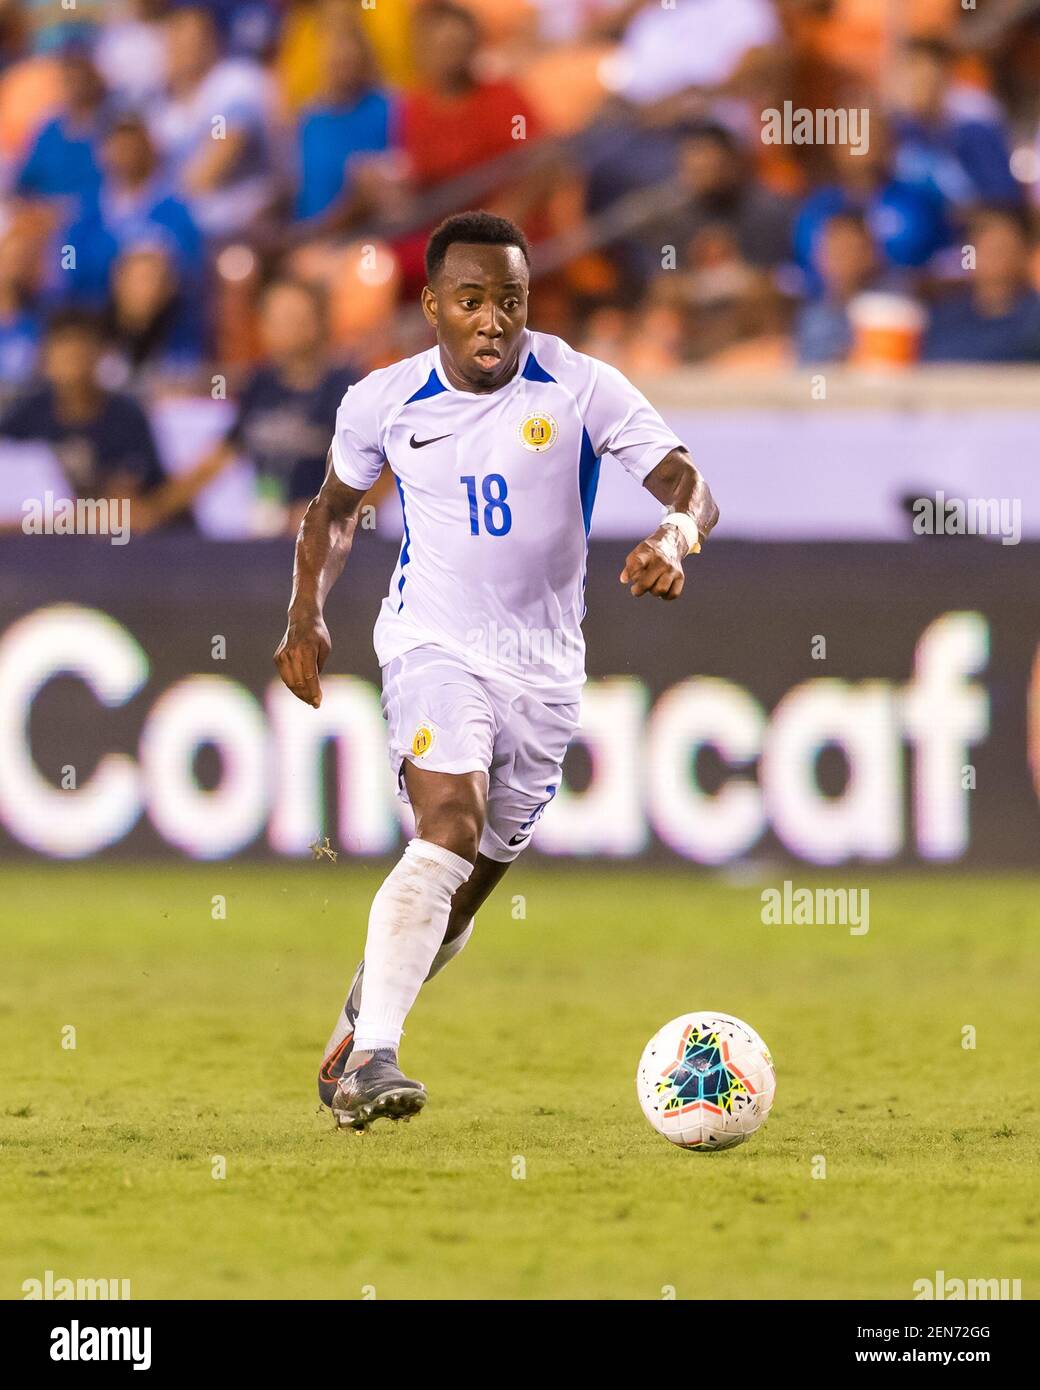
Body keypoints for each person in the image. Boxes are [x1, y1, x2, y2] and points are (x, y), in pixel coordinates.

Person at [273, 210, 719, 1130]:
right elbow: (335, 509)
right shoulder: (384, 399)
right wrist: (306, 613)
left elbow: (687, 481)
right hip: (432, 645)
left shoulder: (580, 384)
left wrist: (676, 533)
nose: (493, 321)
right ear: (432, 304)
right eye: (470, 300)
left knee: (460, 895)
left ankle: (361, 1017)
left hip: (547, 673)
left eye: (509, 301)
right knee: (448, 819)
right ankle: (374, 1064)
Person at [0, 308, 166, 505]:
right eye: (64, 354)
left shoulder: (126, 416)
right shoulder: (27, 414)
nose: (72, 363)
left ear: (100, 355)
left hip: (106, 528)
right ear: (45, 359)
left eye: (80, 354)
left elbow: (135, 494)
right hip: (37, 526)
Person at [922, 207, 1040, 363]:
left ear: (1023, 254)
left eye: (1000, 248)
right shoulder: (944, 316)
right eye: (981, 247)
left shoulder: (1034, 320)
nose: (989, 257)